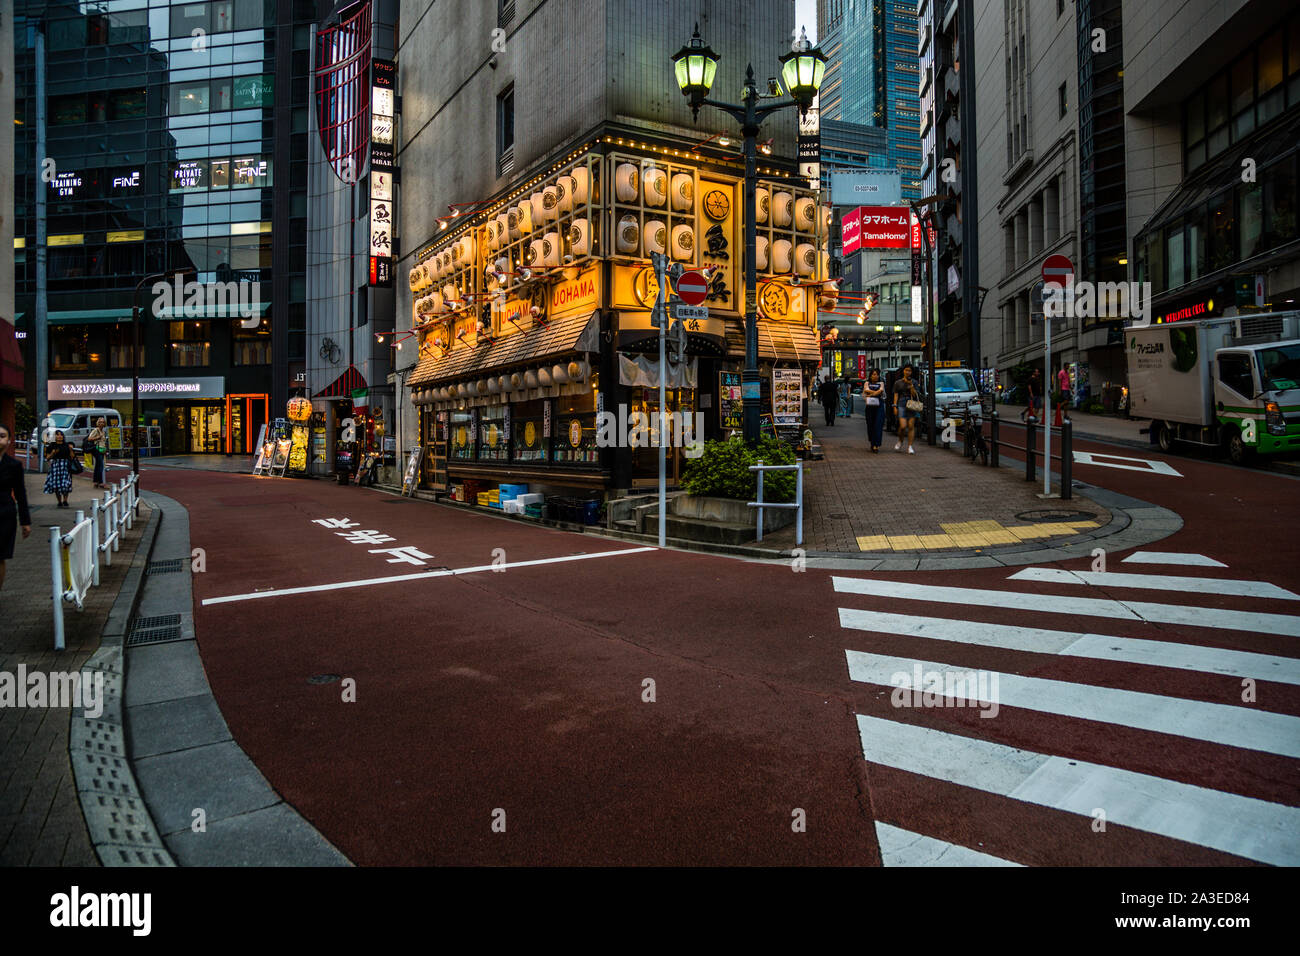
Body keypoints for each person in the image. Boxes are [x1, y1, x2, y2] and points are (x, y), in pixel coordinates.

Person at [0, 424, 33, 591]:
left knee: (0, 557)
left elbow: (21, 494)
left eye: (2, 436)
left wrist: (25, 522)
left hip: (5, 515)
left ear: (8, 440)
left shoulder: (13, 465)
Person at [893, 364, 924, 454]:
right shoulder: (898, 382)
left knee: (911, 426)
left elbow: (915, 395)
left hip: (911, 404)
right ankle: (900, 441)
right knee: (902, 426)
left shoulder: (914, 382)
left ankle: (910, 446)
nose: (908, 372)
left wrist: (911, 386)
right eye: (906, 370)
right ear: (903, 371)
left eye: (909, 371)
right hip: (901, 403)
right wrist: (894, 406)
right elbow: (896, 395)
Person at [44, 430, 74, 508]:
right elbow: (47, 458)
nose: (59, 436)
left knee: (66, 484)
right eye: (57, 435)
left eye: (61, 435)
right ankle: (59, 501)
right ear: (55, 437)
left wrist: (71, 449)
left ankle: (65, 500)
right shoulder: (52, 445)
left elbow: (72, 456)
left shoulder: (66, 445)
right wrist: (53, 453)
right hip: (56, 465)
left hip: (65, 466)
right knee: (56, 484)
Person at [863, 368, 886, 452]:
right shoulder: (866, 383)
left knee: (878, 425)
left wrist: (870, 394)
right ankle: (872, 443)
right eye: (874, 374)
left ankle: (876, 445)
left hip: (879, 405)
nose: (876, 376)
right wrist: (875, 393)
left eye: (877, 374)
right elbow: (866, 390)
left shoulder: (881, 383)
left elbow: (881, 390)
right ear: (870, 375)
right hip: (869, 406)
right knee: (870, 425)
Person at [88, 417, 108, 489]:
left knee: (98, 466)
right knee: (100, 466)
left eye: (103, 422)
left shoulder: (103, 431)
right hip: (96, 449)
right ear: (97, 423)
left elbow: (103, 442)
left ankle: (96, 482)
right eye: (100, 422)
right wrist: (97, 437)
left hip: (102, 449)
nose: (101, 423)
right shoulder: (96, 430)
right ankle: (101, 482)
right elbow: (89, 438)